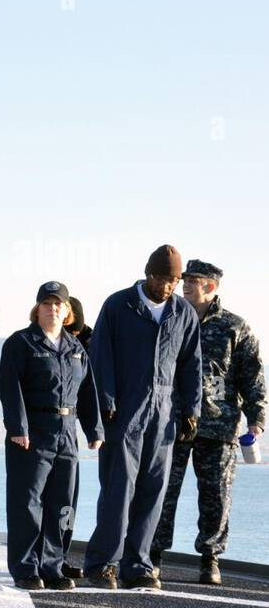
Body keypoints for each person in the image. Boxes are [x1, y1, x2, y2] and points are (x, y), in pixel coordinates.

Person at [83, 245, 201, 589]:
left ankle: (138, 565)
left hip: (163, 412)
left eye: (173, 280)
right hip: (124, 411)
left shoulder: (183, 313)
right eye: (162, 278)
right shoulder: (119, 305)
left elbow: (190, 364)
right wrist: (105, 400)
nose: (167, 286)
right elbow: (100, 356)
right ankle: (102, 563)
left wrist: (191, 410)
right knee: (118, 489)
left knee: (153, 490)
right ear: (147, 274)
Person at [151, 260, 266, 585]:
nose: (185, 285)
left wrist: (256, 418)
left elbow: (252, 376)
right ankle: (154, 554)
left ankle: (210, 559)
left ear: (211, 287)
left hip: (219, 425)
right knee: (162, 491)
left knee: (216, 495)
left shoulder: (235, 327)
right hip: (171, 423)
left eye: (193, 281)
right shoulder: (169, 318)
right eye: (184, 280)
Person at [0, 282, 104, 589]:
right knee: (27, 503)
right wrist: (18, 429)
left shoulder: (76, 348)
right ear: (37, 308)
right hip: (33, 433)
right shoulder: (21, 343)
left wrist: (94, 429)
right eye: (46, 303)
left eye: (58, 304)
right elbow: (10, 388)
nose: (52, 308)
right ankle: (26, 567)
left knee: (63, 504)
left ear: (68, 310)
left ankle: (52, 565)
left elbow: (88, 392)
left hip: (67, 433)